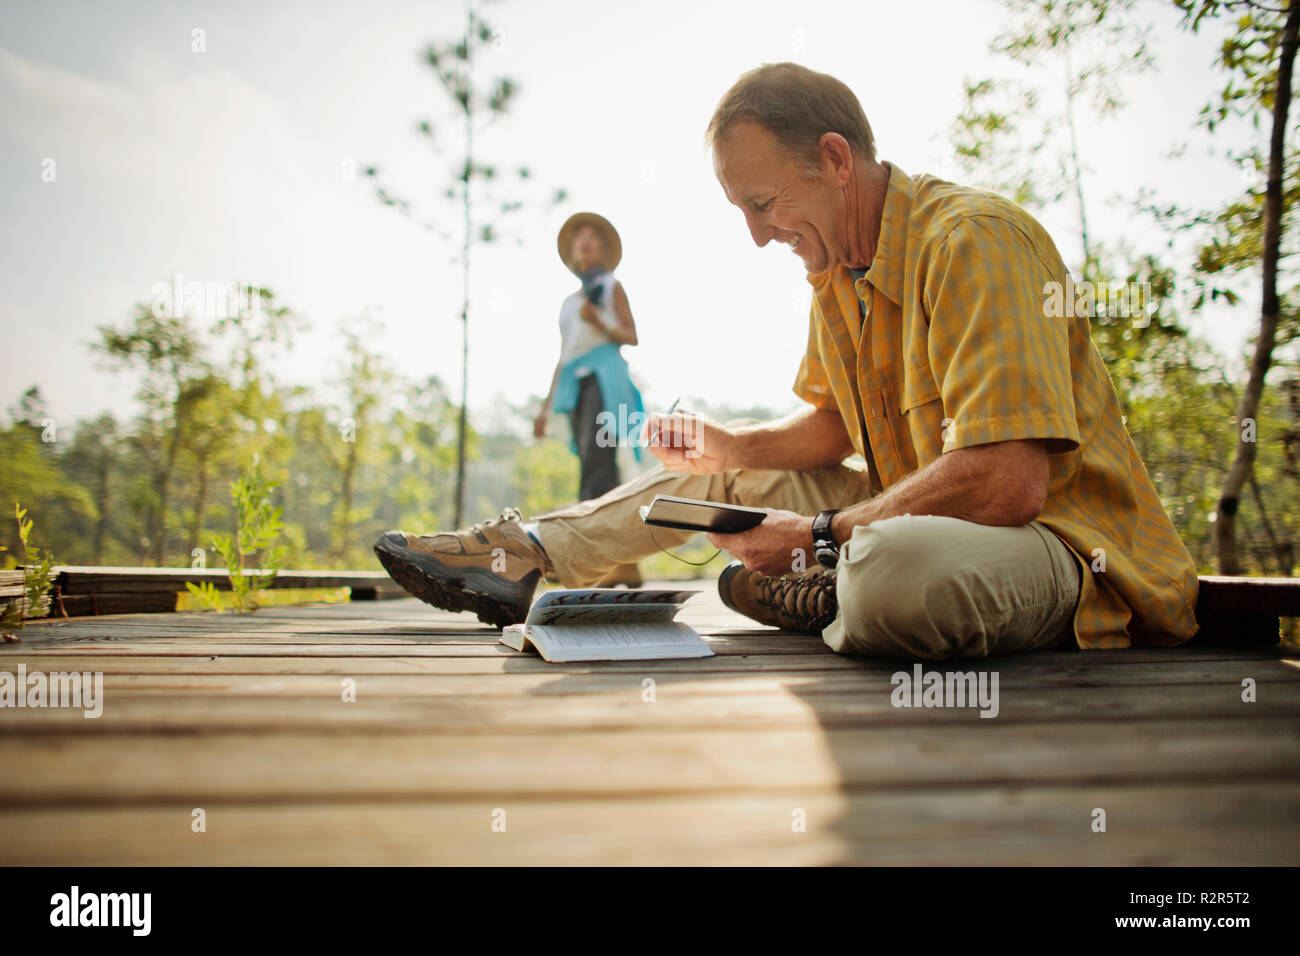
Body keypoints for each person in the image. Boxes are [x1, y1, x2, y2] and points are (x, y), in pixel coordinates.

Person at [374, 62, 1199, 658]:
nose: (758, 234)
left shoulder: (973, 242)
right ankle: (520, 555)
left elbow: (1007, 480)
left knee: (893, 574)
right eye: (742, 210)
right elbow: (837, 426)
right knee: (720, 488)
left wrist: (817, 534)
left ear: (837, 161)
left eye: (764, 205)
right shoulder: (835, 272)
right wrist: (735, 452)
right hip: (914, 513)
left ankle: (826, 579)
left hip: (1061, 547)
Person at [532, 213, 644, 587]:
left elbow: (631, 335)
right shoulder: (568, 302)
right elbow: (564, 355)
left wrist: (599, 321)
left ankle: (610, 559)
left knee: (601, 464)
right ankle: (613, 560)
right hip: (575, 387)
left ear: (602, 249)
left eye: (593, 237)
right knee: (589, 466)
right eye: (580, 237)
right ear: (573, 253)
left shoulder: (611, 287)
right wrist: (545, 408)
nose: (585, 241)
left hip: (604, 382)